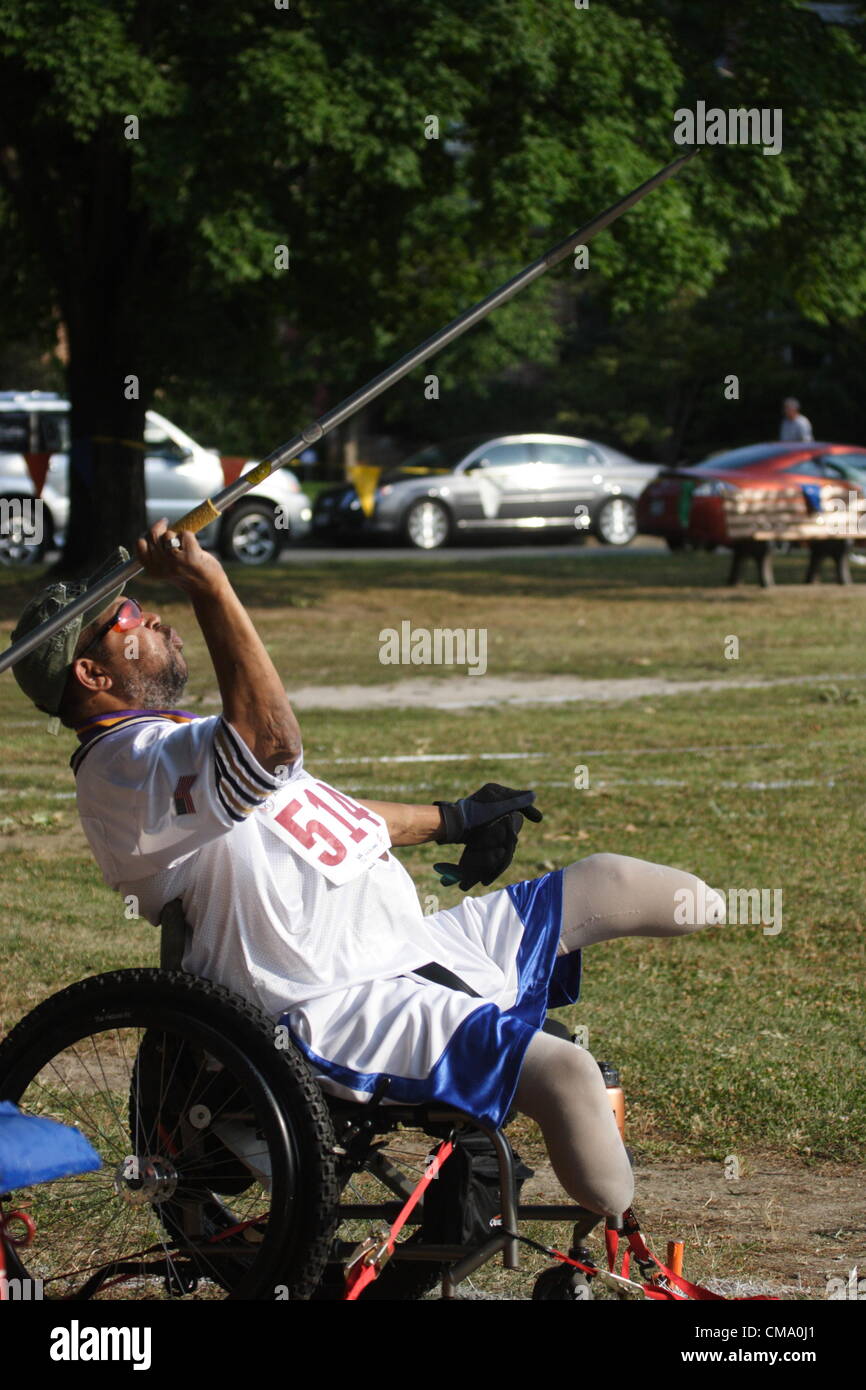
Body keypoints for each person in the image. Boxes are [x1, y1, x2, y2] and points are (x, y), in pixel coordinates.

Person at [9, 522, 725, 1219]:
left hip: (413, 947)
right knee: (568, 1076)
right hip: (338, 1003)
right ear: (92, 672)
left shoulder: (176, 746)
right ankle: (626, 1244)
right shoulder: (123, 770)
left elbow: (320, 812)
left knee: (638, 886)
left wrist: (454, 818)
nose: (154, 616)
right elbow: (273, 742)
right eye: (130, 615)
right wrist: (210, 583)